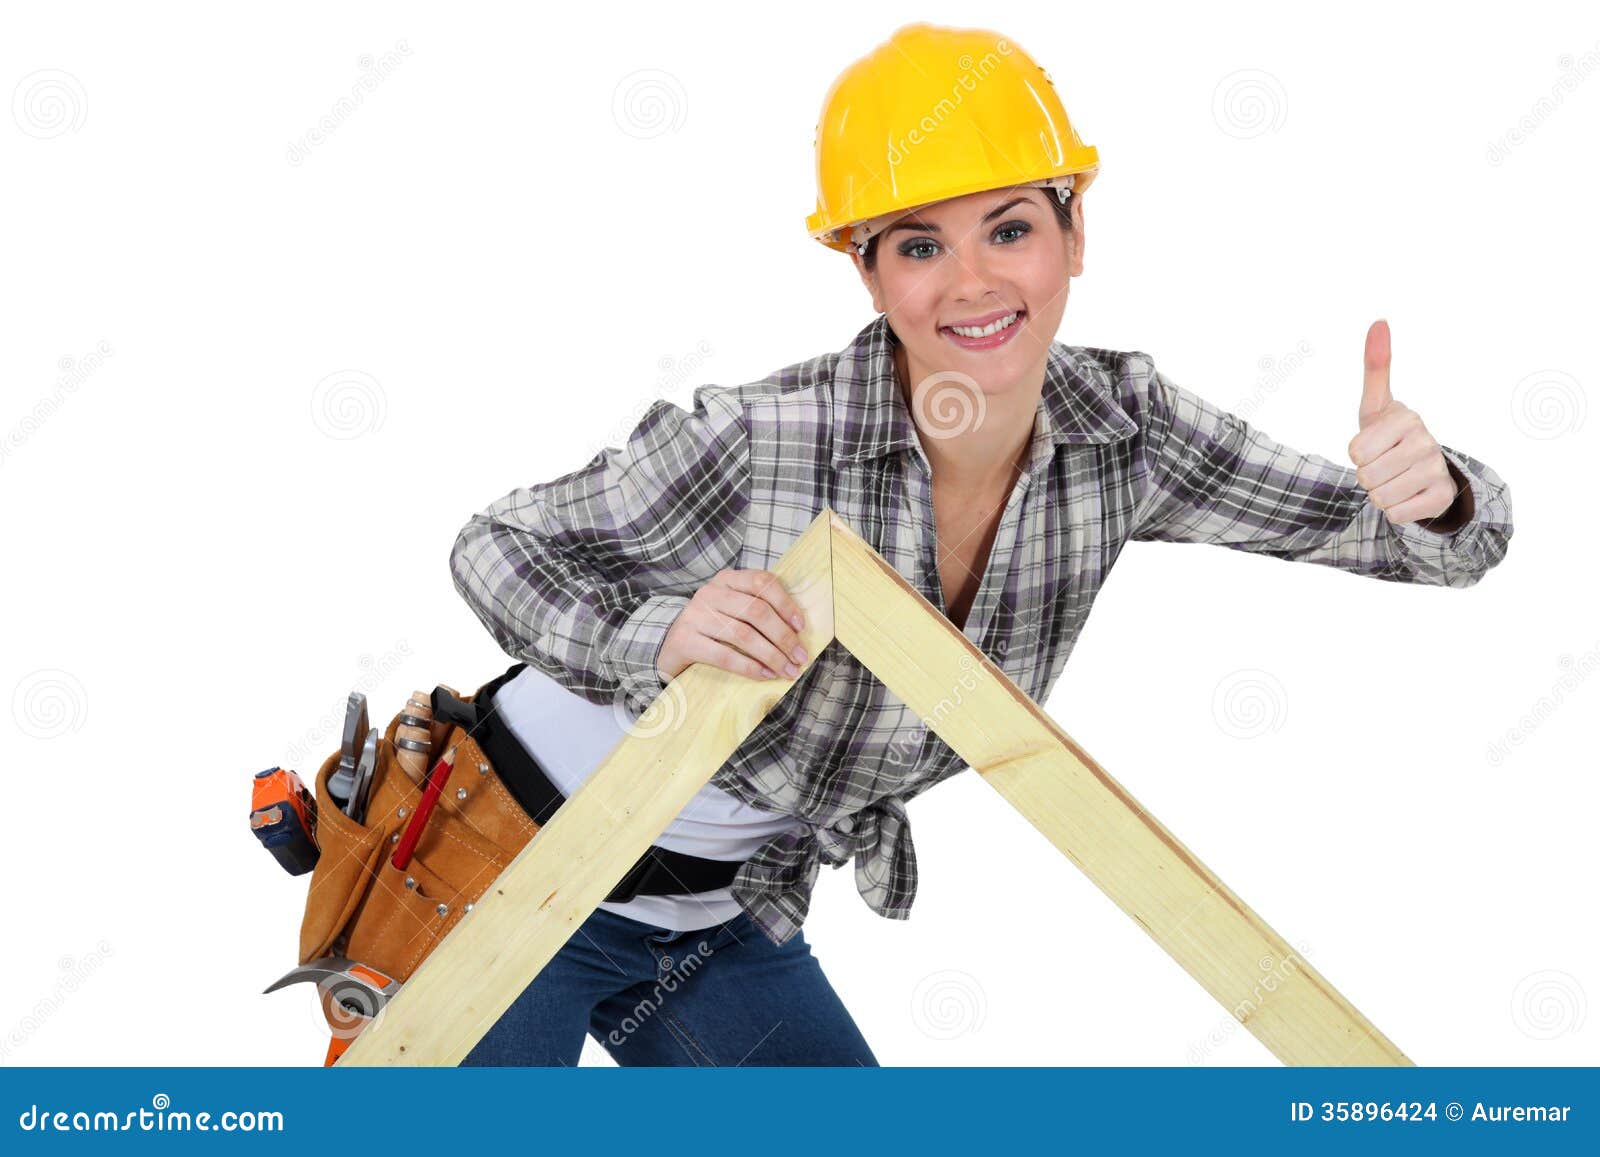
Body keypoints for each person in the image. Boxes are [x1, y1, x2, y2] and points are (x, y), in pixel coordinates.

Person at [447, 22, 1513, 1066]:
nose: (972, 283)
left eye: (1009, 230)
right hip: (504, 859)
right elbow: (494, 544)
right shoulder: (771, 438)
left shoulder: (1128, 434)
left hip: (714, 915)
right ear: (869, 276)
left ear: (1074, 235)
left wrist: (1436, 497)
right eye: (920, 246)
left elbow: (1423, 540)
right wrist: (656, 632)